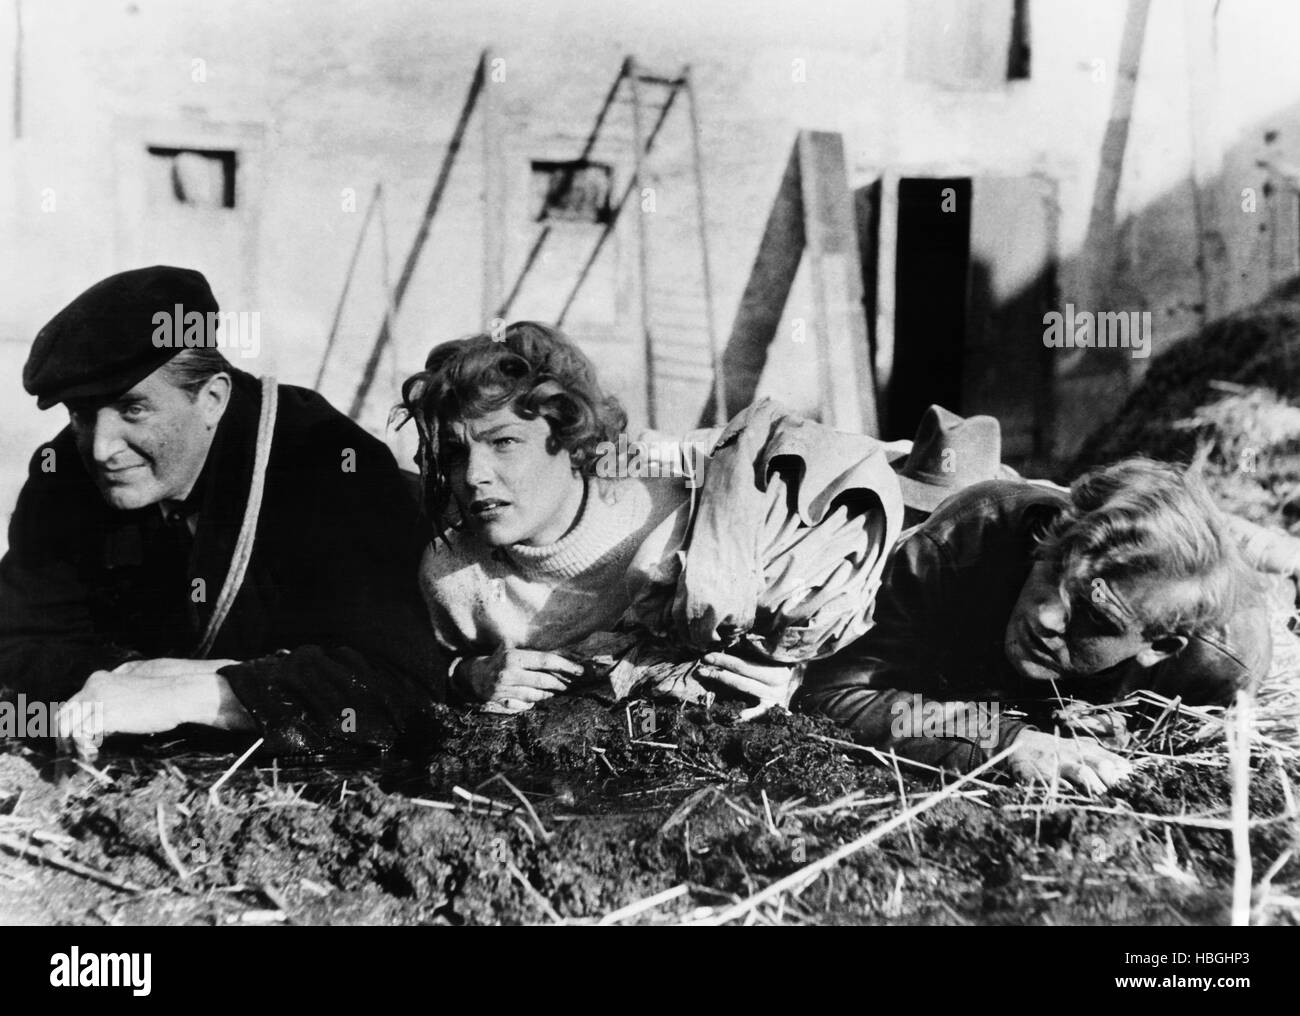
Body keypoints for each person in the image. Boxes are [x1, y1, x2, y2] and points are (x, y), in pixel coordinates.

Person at [0, 266, 449, 757]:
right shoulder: (67, 471)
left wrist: (197, 693)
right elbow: (20, 639)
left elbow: (400, 683)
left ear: (212, 397)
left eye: (133, 411)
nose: (103, 448)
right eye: (83, 415)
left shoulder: (329, 465)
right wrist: (128, 675)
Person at [401, 321, 903, 716]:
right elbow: (419, 667)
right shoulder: (452, 577)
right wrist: (467, 676)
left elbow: (813, 595)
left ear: (570, 441)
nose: (473, 476)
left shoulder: (664, 506)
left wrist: (788, 674)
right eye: (453, 453)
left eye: (504, 442)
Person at [798, 457, 1271, 792]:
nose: (1045, 616)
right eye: (1048, 569)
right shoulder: (964, 541)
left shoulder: (1218, 663)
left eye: (1093, 615)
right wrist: (1002, 738)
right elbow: (840, 694)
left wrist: (1124, 717)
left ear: (1161, 645)